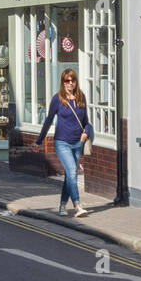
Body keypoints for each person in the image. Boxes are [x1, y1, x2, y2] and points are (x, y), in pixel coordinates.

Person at [31, 68, 94, 217]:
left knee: (69, 176)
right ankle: (77, 206)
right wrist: (39, 141)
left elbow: (86, 121)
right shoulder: (57, 99)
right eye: (67, 80)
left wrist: (86, 133)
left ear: (76, 82)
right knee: (72, 172)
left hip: (78, 143)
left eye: (73, 80)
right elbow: (48, 120)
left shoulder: (81, 97)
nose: (70, 83)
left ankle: (62, 206)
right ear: (63, 82)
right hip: (62, 142)